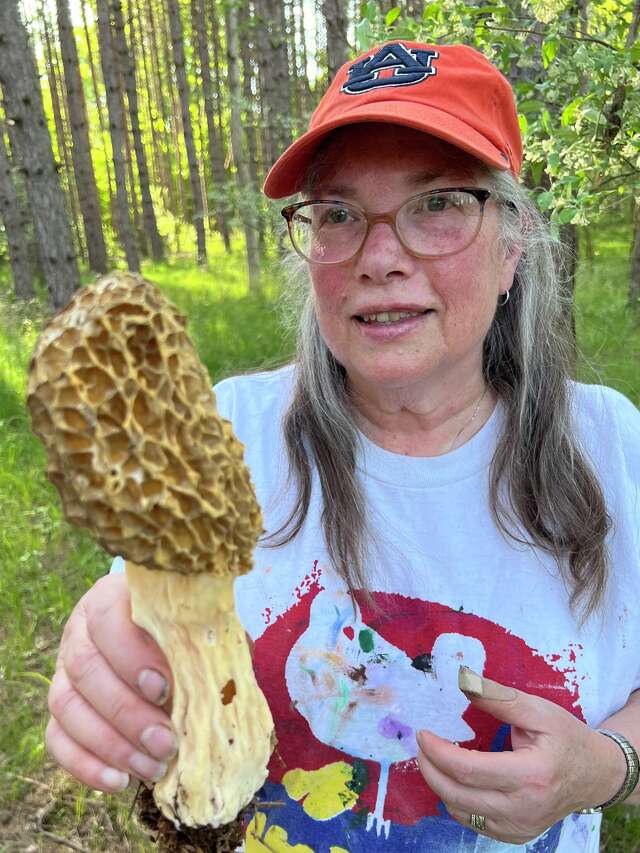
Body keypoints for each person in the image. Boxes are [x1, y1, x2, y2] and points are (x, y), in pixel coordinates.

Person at [45, 41, 640, 852]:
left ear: (513, 247)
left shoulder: (612, 446)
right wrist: (104, 657)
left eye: (437, 203)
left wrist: (608, 765)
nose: (380, 256)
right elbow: (131, 631)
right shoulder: (230, 433)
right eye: (338, 214)